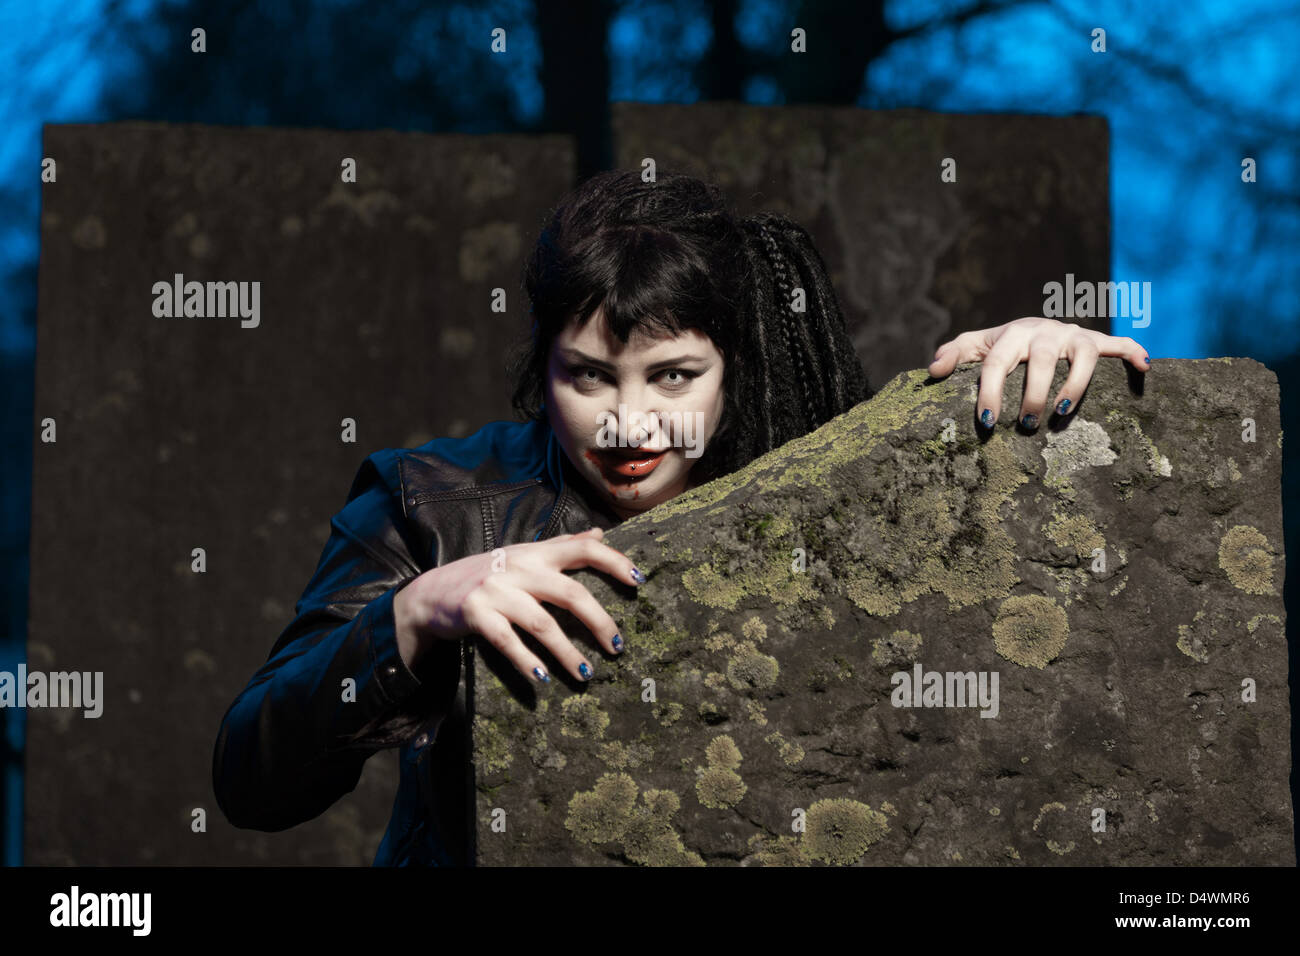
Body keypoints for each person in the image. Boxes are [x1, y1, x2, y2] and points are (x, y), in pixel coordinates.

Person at [211, 169, 1151, 866]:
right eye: (588, 376)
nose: (628, 420)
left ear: (732, 369)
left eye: (673, 377)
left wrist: (1039, 365)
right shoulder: (429, 500)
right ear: (542, 368)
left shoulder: (806, 466)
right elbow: (251, 778)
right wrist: (411, 616)